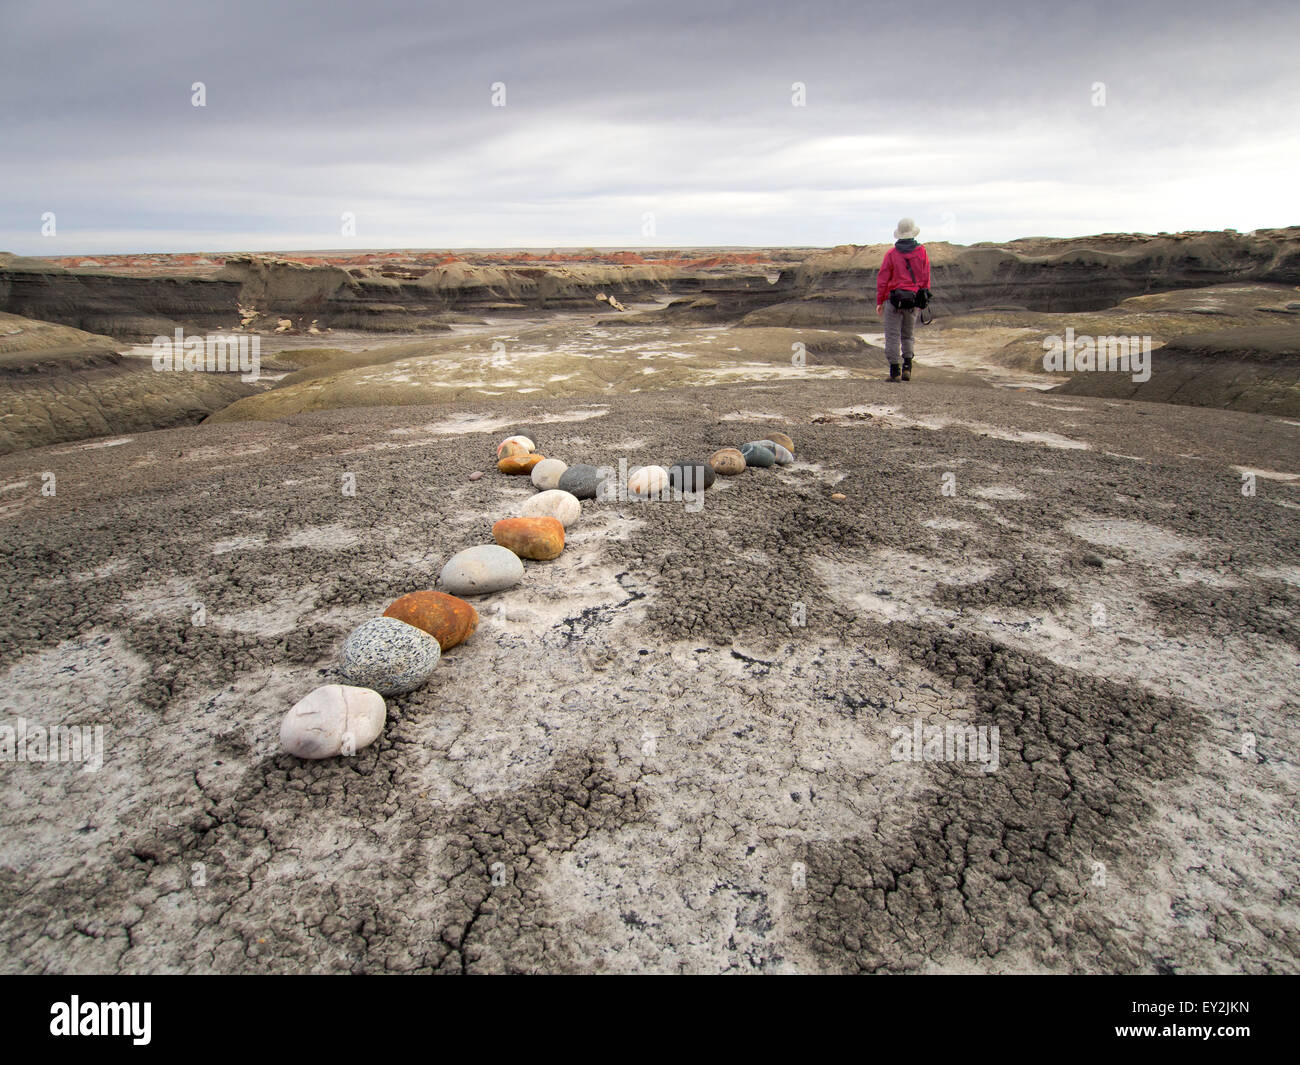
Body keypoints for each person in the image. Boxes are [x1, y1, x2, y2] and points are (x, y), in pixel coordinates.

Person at [875, 218, 931, 382]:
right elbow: (925, 276)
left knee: (892, 335)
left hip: (894, 301)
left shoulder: (892, 254)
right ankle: (907, 368)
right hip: (913, 300)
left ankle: (895, 372)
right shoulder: (922, 252)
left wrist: (880, 301)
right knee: (908, 335)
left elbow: (883, 279)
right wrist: (923, 297)